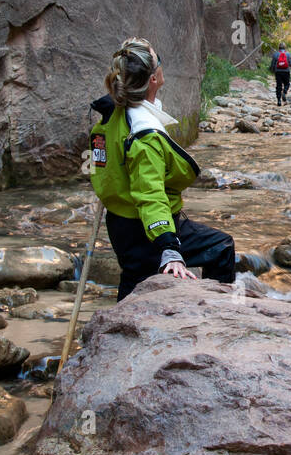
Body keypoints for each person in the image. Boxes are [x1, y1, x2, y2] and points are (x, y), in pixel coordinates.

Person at [89, 38, 236, 301]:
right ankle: (217, 311)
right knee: (220, 247)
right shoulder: (145, 136)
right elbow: (150, 195)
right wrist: (168, 245)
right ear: (154, 79)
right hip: (144, 228)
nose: (162, 65)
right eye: (159, 61)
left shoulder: (114, 112)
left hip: (120, 221)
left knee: (134, 278)